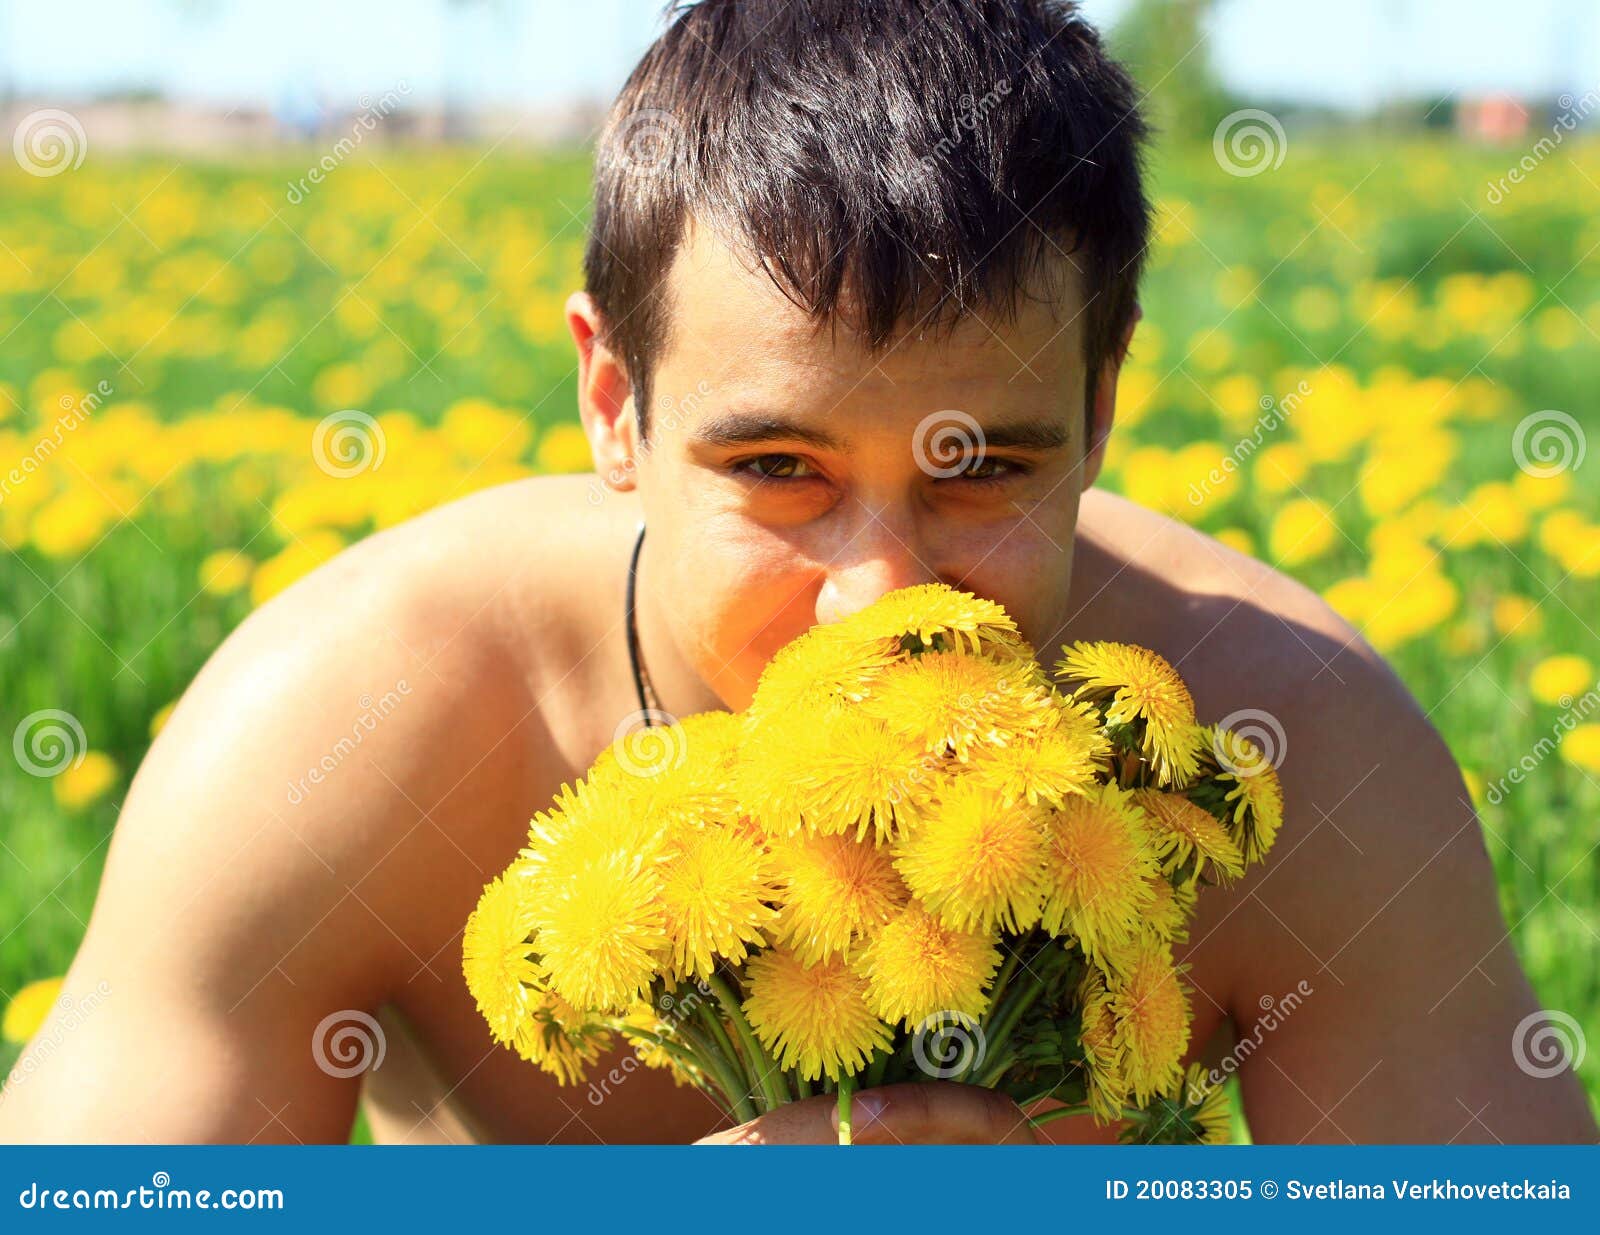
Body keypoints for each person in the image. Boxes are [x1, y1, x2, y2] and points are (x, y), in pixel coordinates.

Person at [2, 0, 1594, 1146]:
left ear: (1104, 408)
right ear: (614, 402)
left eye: (985, 472)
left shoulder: (1289, 750)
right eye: (779, 473)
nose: (878, 599)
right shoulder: (346, 726)